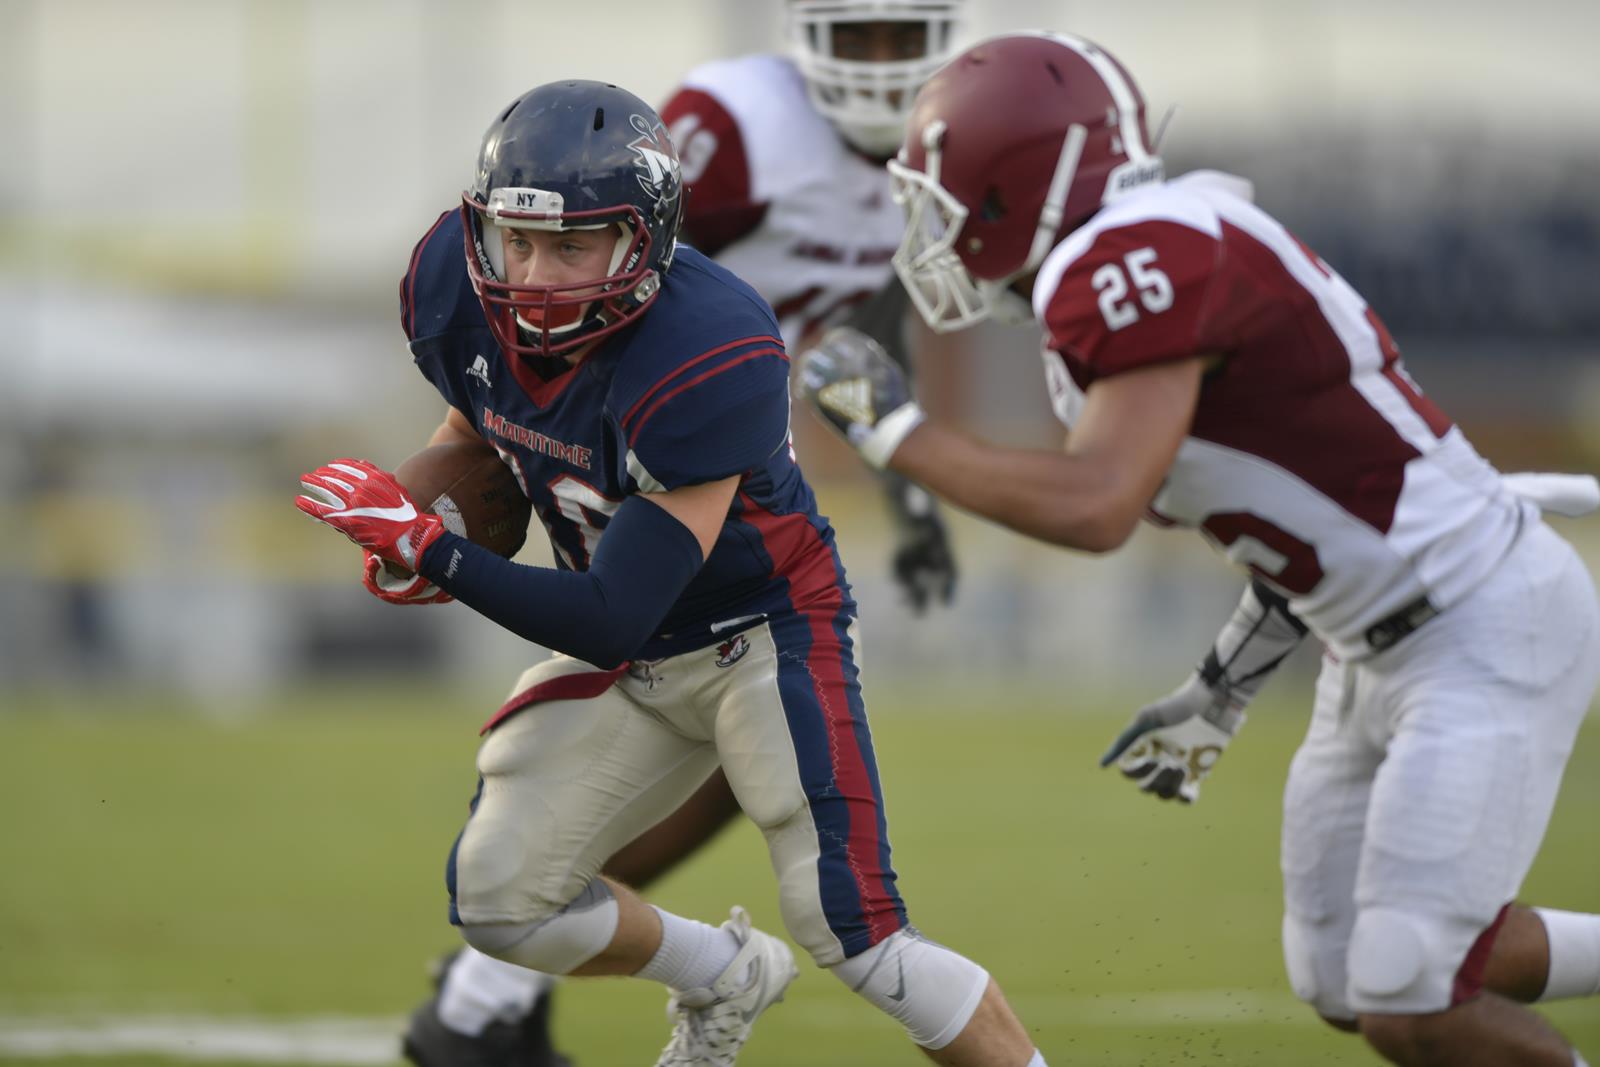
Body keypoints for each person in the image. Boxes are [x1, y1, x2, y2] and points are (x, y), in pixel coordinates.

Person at [800, 31, 1600, 1067]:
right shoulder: (1131, 260)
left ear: (1013, 192)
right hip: (1381, 635)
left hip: (1472, 619)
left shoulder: (1136, 258)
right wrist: (1222, 688)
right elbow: (1296, 519)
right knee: (1346, 973)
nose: (934, 234)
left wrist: (894, 433)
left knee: (1412, 995)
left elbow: (1095, 506)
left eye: (948, 203)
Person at [295, 79, 1051, 1067]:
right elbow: (478, 424)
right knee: (499, 899)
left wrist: (430, 547)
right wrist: (438, 509)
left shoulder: (712, 345)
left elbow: (612, 614)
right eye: (517, 240)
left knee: (858, 937)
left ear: (642, 240)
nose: (531, 273)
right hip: (637, 655)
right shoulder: (450, 277)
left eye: (571, 246)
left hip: (757, 635)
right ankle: (723, 972)